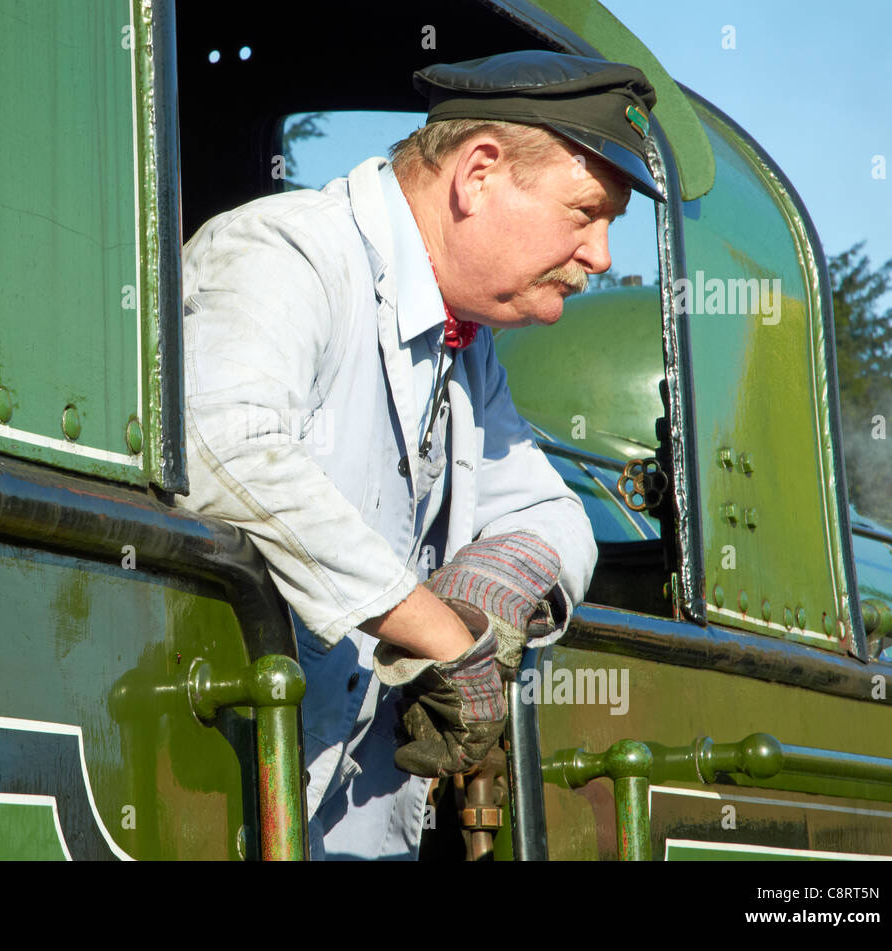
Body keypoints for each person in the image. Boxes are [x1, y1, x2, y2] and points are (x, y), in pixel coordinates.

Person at [177, 50, 665, 860]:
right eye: (585, 213)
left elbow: (552, 515)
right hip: (212, 801)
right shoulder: (288, 252)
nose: (602, 256)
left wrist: (489, 593)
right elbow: (220, 443)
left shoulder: (466, 347)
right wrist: (437, 631)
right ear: (478, 174)